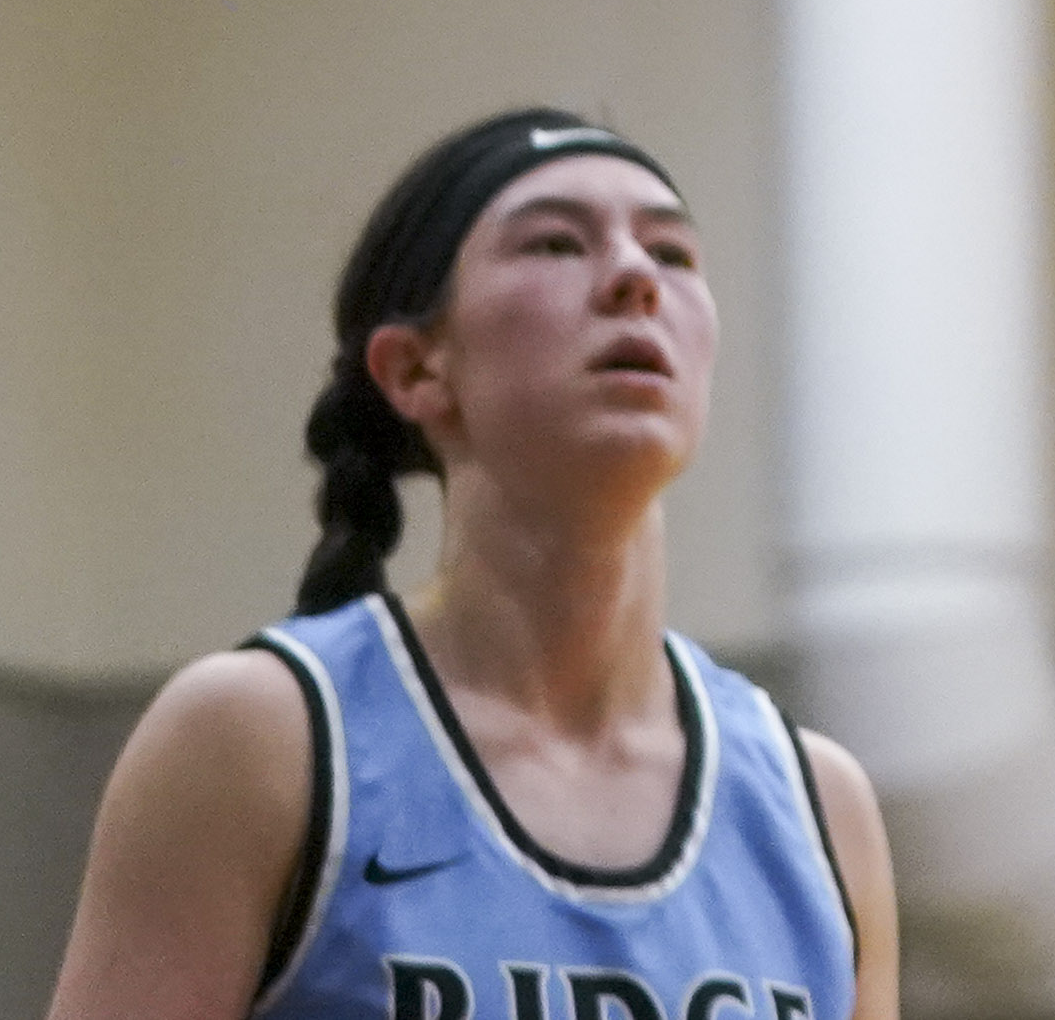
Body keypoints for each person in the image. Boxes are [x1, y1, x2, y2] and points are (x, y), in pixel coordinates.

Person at [45, 110, 899, 1020]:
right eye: (557, 242)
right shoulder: (257, 739)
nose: (633, 278)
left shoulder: (819, 808)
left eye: (673, 253)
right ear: (416, 368)